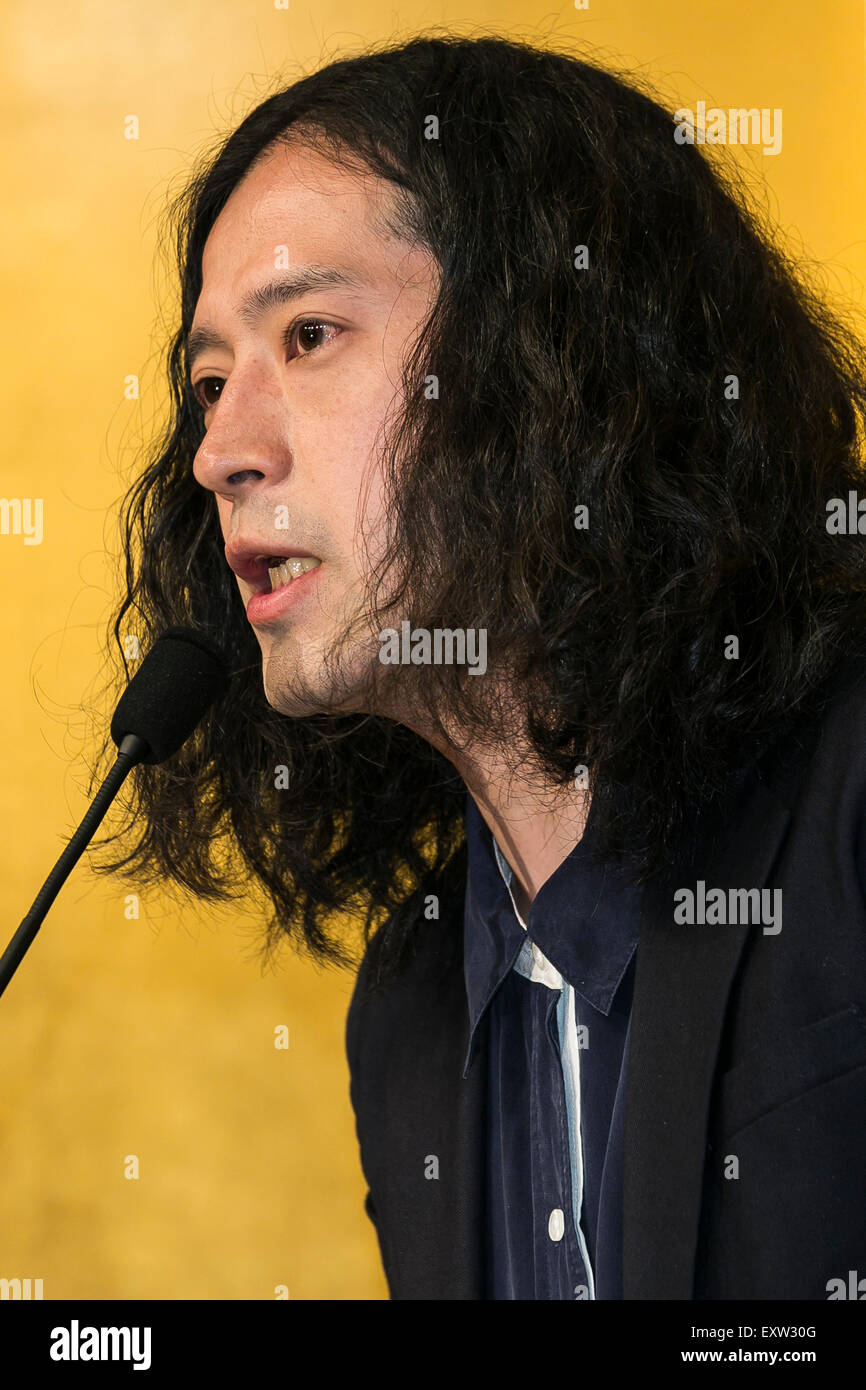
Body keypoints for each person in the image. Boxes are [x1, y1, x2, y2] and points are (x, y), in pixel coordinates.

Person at [102, 34, 866, 1299]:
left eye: (305, 333)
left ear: (549, 356)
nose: (220, 449)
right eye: (207, 380)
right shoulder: (404, 1015)